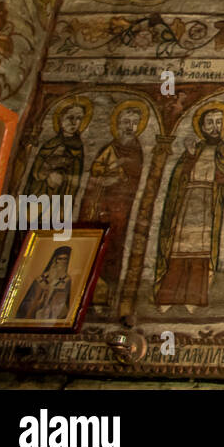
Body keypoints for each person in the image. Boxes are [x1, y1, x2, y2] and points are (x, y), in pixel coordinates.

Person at [155, 104, 224, 311]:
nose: (215, 127)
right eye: (210, 123)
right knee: (178, 248)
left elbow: (223, 175)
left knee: (202, 251)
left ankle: (194, 298)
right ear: (202, 127)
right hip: (187, 204)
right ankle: (168, 295)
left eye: (218, 122)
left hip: (208, 205)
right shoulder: (193, 149)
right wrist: (189, 155)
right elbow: (178, 177)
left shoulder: (222, 150)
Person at [79, 103, 145, 308]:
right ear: (117, 123)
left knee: (112, 247)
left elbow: (132, 179)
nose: (130, 127)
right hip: (97, 203)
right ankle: (79, 297)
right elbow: (96, 172)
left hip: (119, 208)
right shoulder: (108, 148)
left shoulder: (136, 152)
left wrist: (119, 171)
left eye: (134, 123)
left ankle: (104, 297)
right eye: (126, 122)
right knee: (87, 244)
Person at [25, 101, 87, 199]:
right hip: (39, 193)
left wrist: (63, 176)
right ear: (60, 119)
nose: (74, 122)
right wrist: (47, 172)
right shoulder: (51, 144)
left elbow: (75, 178)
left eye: (78, 118)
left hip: (61, 196)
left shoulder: (78, 147)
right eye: (70, 117)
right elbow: (36, 172)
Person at [17, 247, 72, 321]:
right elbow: (31, 301)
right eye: (60, 259)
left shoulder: (67, 280)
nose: (63, 262)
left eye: (65, 259)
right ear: (55, 260)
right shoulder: (42, 279)